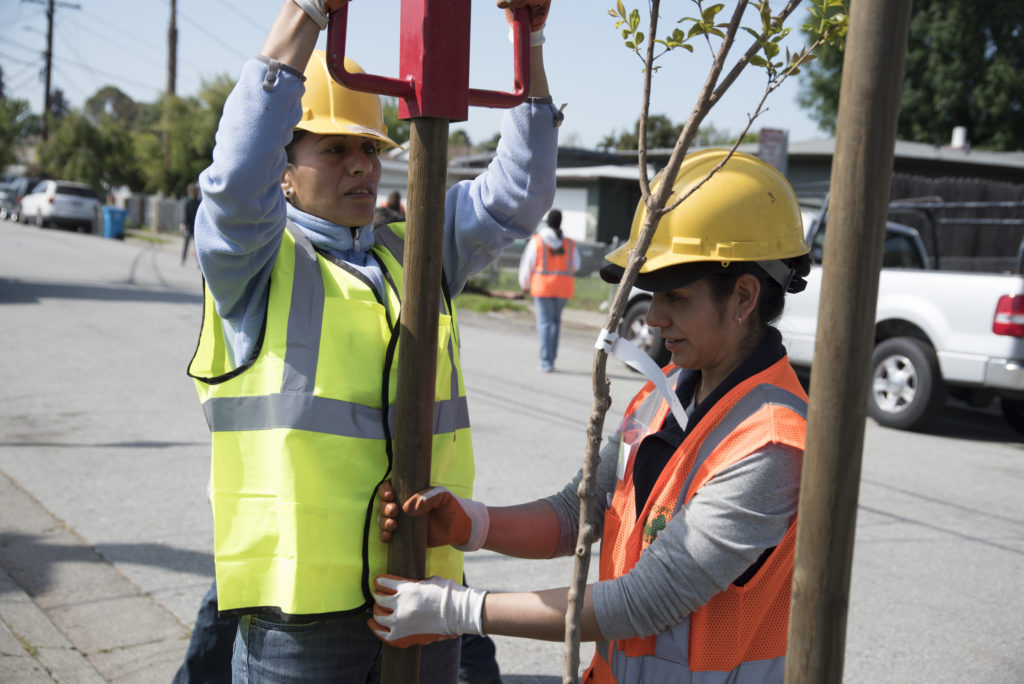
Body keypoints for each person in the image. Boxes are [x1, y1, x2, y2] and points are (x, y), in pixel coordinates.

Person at [183, 0, 558, 681]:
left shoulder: (411, 255)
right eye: (334, 148)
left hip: (423, 599)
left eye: (369, 149)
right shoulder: (255, 264)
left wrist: (527, 43)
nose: (361, 165)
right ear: (285, 169)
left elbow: (520, 194)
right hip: (302, 623)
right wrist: (304, 15)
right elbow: (235, 185)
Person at [370, 149, 813, 683]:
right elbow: (575, 512)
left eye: (676, 296)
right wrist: (477, 523)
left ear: (743, 296)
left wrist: (461, 611)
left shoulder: (771, 444)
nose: (653, 316)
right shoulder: (665, 394)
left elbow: (648, 601)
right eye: (652, 294)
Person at [518, 208, 579, 371]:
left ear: (547, 222)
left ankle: (546, 362)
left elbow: (527, 264)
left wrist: (524, 284)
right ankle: (551, 359)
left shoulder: (537, 241)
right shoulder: (569, 243)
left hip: (542, 288)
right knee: (555, 323)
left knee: (545, 324)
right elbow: (576, 265)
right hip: (563, 289)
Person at [179, 182, 201, 266]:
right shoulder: (187, 202)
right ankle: (183, 259)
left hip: (197, 227)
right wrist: (183, 224)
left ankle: (199, 262)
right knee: (186, 243)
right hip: (188, 226)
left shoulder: (199, 203)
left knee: (197, 246)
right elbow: (185, 215)